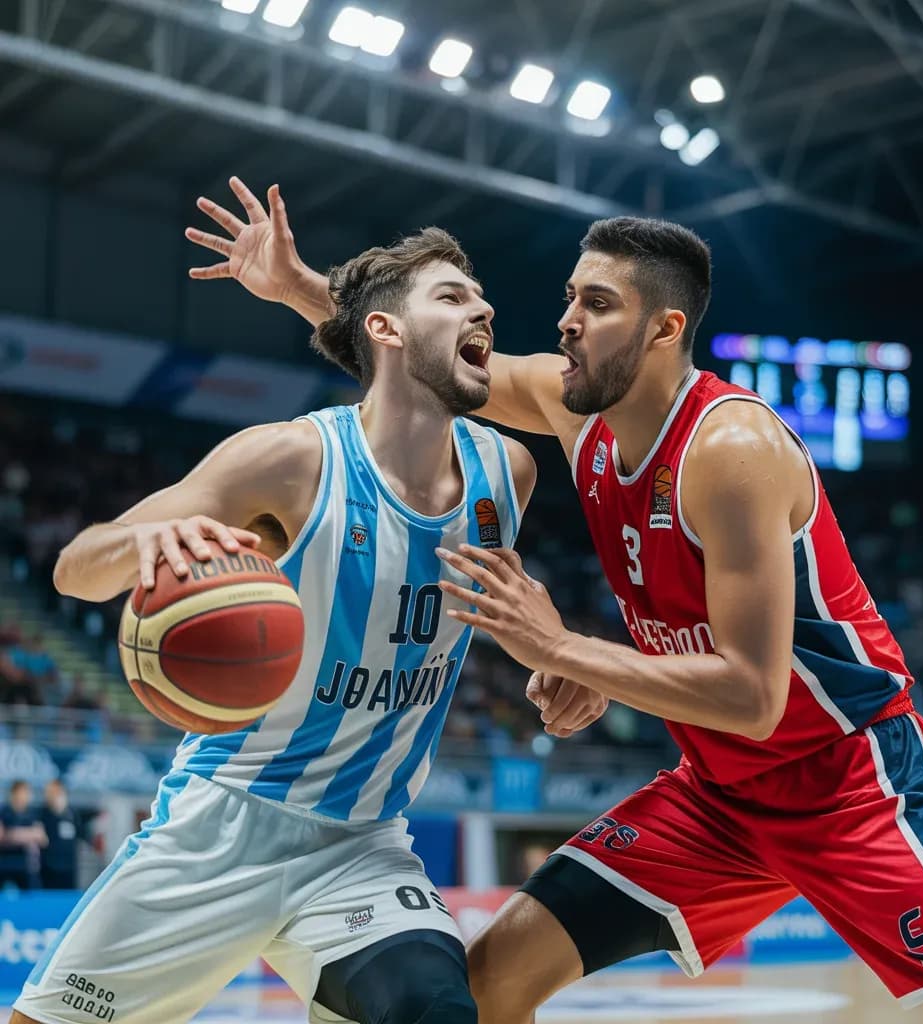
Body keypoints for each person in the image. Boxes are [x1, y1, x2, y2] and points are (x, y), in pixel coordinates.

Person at [202, 177, 923, 1022]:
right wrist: (300, 287)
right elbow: (428, 367)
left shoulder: (730, 448)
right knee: (485, 987)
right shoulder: (576, 412)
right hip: (716, 797)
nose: (566, 321)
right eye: (569, 298)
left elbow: (751, 695)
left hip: (848, 783)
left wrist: (562, 649)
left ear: (666, 329)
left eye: (597, 304)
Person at [11, 202, 540, 1024]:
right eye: (452, 296)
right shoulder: (291, 459)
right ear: (386, 331)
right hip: (225, 824)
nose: (483, 310)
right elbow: (77, 571)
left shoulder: (508, 472)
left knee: (435, 1009)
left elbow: (500, 599)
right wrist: (154, 535)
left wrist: (554, 658)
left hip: (363, 845)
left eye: (481, 298)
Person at [0, 780, 46, 891]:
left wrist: (13, 834)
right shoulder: (3, 812)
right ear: (13, 794)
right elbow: (2, 836)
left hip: (25, 863)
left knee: (33, 891)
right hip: (4, 862)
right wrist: (30, 834)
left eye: (26, 793)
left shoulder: (33, 814)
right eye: (20, 793)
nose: (23, 796)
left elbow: (42, 838)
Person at [39, 779, 81, 890]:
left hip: (69, 866)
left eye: (56, 793)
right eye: (50, 793)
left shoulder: (72, 814)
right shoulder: (43, 814)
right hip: (49, 867)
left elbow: (80, 835)